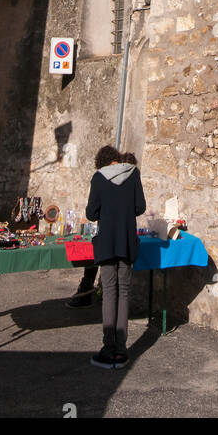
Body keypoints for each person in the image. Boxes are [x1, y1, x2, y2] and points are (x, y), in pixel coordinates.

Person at [86, 144, 145, 369]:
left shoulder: (98, 178)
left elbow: (91, 213)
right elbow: (140, 207)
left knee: (109, 292)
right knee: (124, 292)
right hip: (127, 241)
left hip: (107, 242)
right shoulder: (133, 174)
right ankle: (121, 351)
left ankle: (108, 348)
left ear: (102, 162)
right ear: (117, 159)